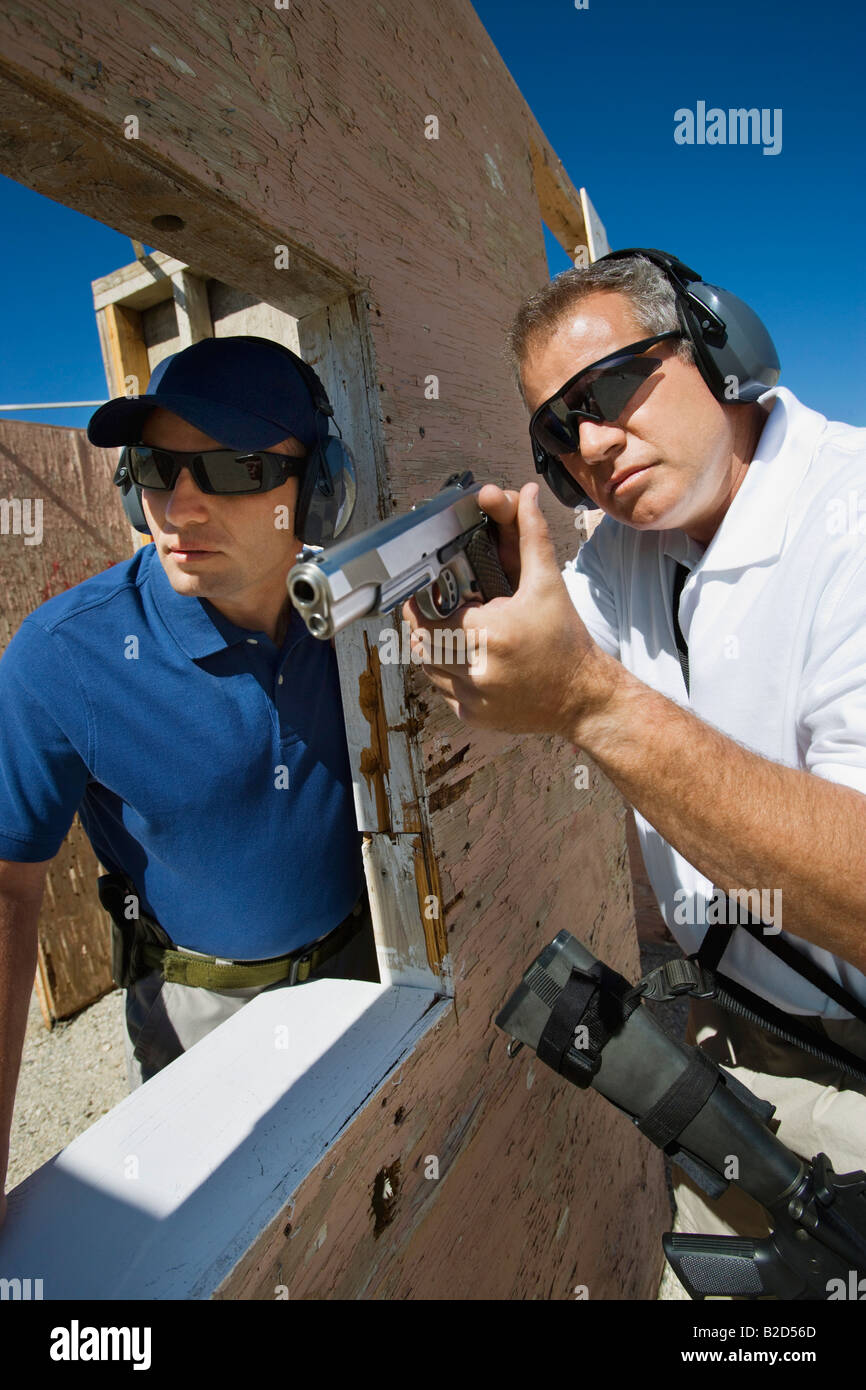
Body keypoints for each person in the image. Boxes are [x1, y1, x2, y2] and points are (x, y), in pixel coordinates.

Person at [401, 250, 866, 1251]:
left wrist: (588, 702)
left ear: (715, 345)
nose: (592, 443)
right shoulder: (625, 547)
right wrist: (463, 616)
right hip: (733, 1024)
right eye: (556, 429)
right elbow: (537, 664)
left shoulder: (851, 516)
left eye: (611, 387)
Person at [0, 335, 378, 1223]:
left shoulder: (365, 604)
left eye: (233, 468)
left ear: (318, 489)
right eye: (154, 468)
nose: (178, 506)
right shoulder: (65, 658)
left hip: (370, 963)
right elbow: (8, 892)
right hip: (202, 1010)